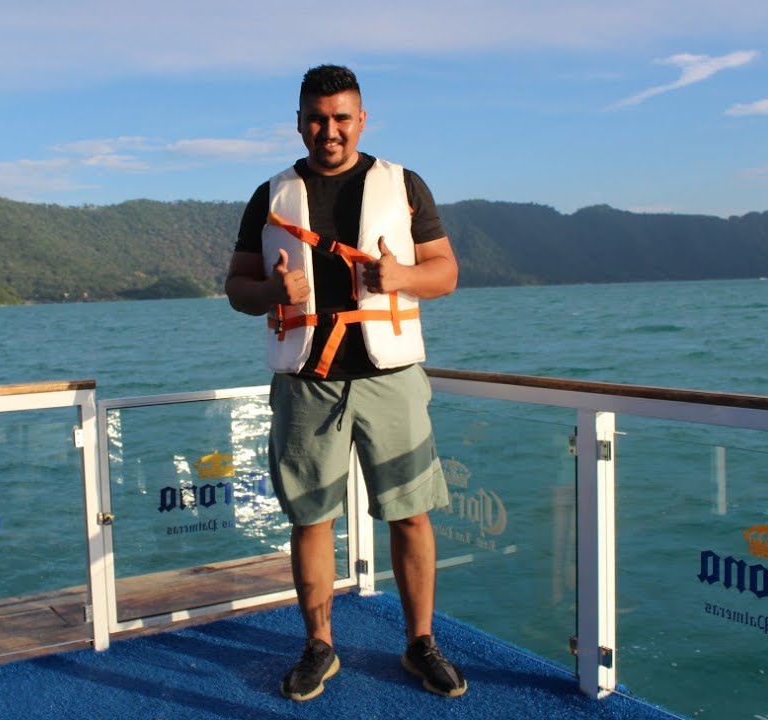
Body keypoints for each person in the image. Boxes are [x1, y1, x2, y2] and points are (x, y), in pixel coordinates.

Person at [224, 64, 466, 701]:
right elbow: (236, 288)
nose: (328, 130)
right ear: (299, 121)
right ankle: (319, 647)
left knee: (410, 515)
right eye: (316, 118)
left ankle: (421, 644)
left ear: (361, 120)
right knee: (311, 520)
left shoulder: (403, 185)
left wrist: (400, 279)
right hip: (308, 381)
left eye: (340, 118)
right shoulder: (270, 195)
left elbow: (444, 272)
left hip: (390, 377)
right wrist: (273, 290)